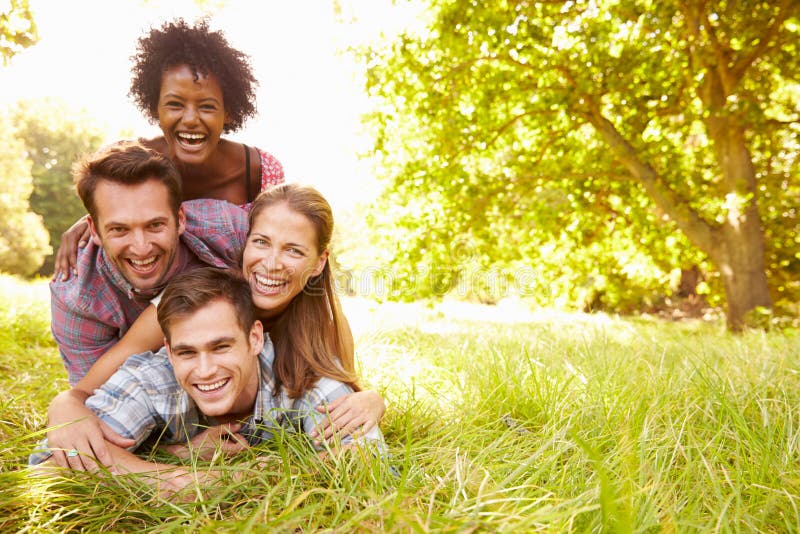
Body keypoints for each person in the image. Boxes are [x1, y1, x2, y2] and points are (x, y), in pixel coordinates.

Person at [46, 146, 384, 470]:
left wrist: (373, 400)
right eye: (261, 242)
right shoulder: (201, 304)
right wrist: (67, 403)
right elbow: (96, 385)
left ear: (318, 262)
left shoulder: (321, 325)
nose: (272, 264)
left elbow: (345, 396)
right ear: (245, 240)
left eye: (293, 251)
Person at [31, 268, 384, 498]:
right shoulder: (152, 379)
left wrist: (130, 466)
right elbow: (51, 467)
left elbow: (366, 462)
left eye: (221, 347)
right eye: (186, 352)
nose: (204, 371)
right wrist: (178, 468)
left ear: (255, 338)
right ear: (168, 351)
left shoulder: (306, 377)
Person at [54, 18, 284, 282]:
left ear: (229, 111)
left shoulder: (259, 170)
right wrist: (87, 221)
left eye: (207, 107)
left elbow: (281, 240)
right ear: (155, 107)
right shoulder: (129, 157)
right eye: (175, 104)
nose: (190, 119)